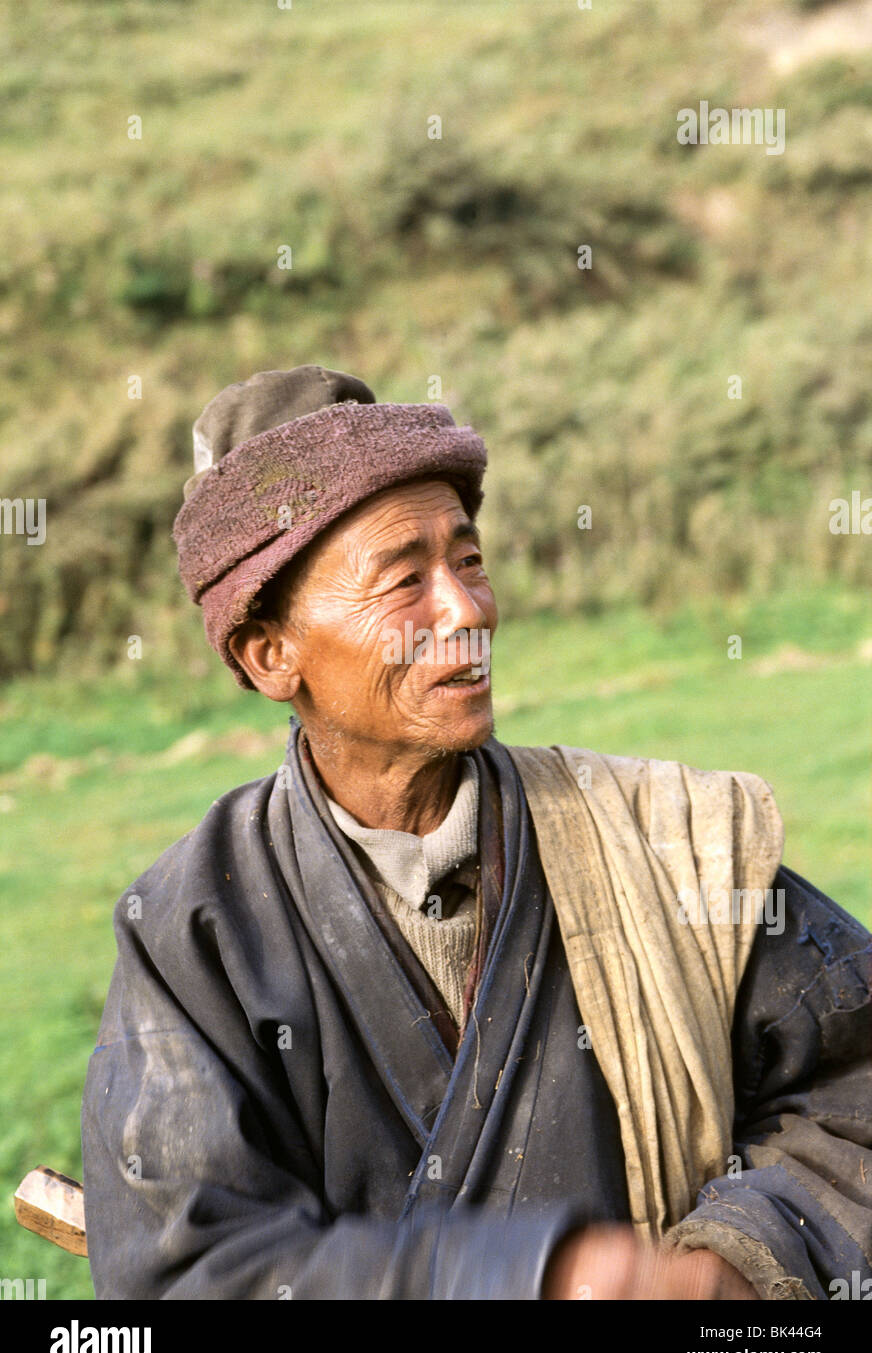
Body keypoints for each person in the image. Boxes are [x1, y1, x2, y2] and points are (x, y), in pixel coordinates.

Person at [81, 365, 872, 1300]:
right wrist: (532, 1280)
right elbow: (190, 1269)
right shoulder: (193, 927)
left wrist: (738, 1264)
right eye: (403, 580)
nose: (466, 611)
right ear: (270, 655)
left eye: (468, 559)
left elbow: (852, 1090)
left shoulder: (663, 840)